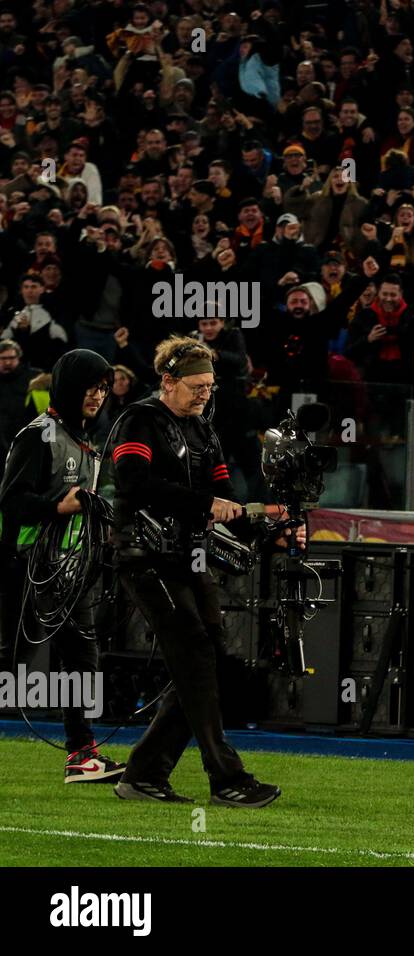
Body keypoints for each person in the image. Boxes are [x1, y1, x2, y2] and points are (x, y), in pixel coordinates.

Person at [102, 336, 300, 807]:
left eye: (210, 386)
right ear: (167, 381)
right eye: (196, 385)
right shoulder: (141, 418)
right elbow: (132, 481)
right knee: (195, 656)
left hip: (186, 556)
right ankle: (225, 777)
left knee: (211, 663)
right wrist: (206, 504)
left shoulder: (202, 430)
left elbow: (223, 493)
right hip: (144, 555)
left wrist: (264, 525)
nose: (205, 394)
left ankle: (145, 773)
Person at [0, 349, 125, 782]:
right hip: (26, 569)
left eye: (104, 388)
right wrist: (59, 506)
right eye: (91, 386)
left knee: (82, 660)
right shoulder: (39, 435)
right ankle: (81, 751)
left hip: (69, 573)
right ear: (69, 386)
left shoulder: (85, 440)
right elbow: (11, 502)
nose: (98, 395)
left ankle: (82, 754)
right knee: (13, 663)